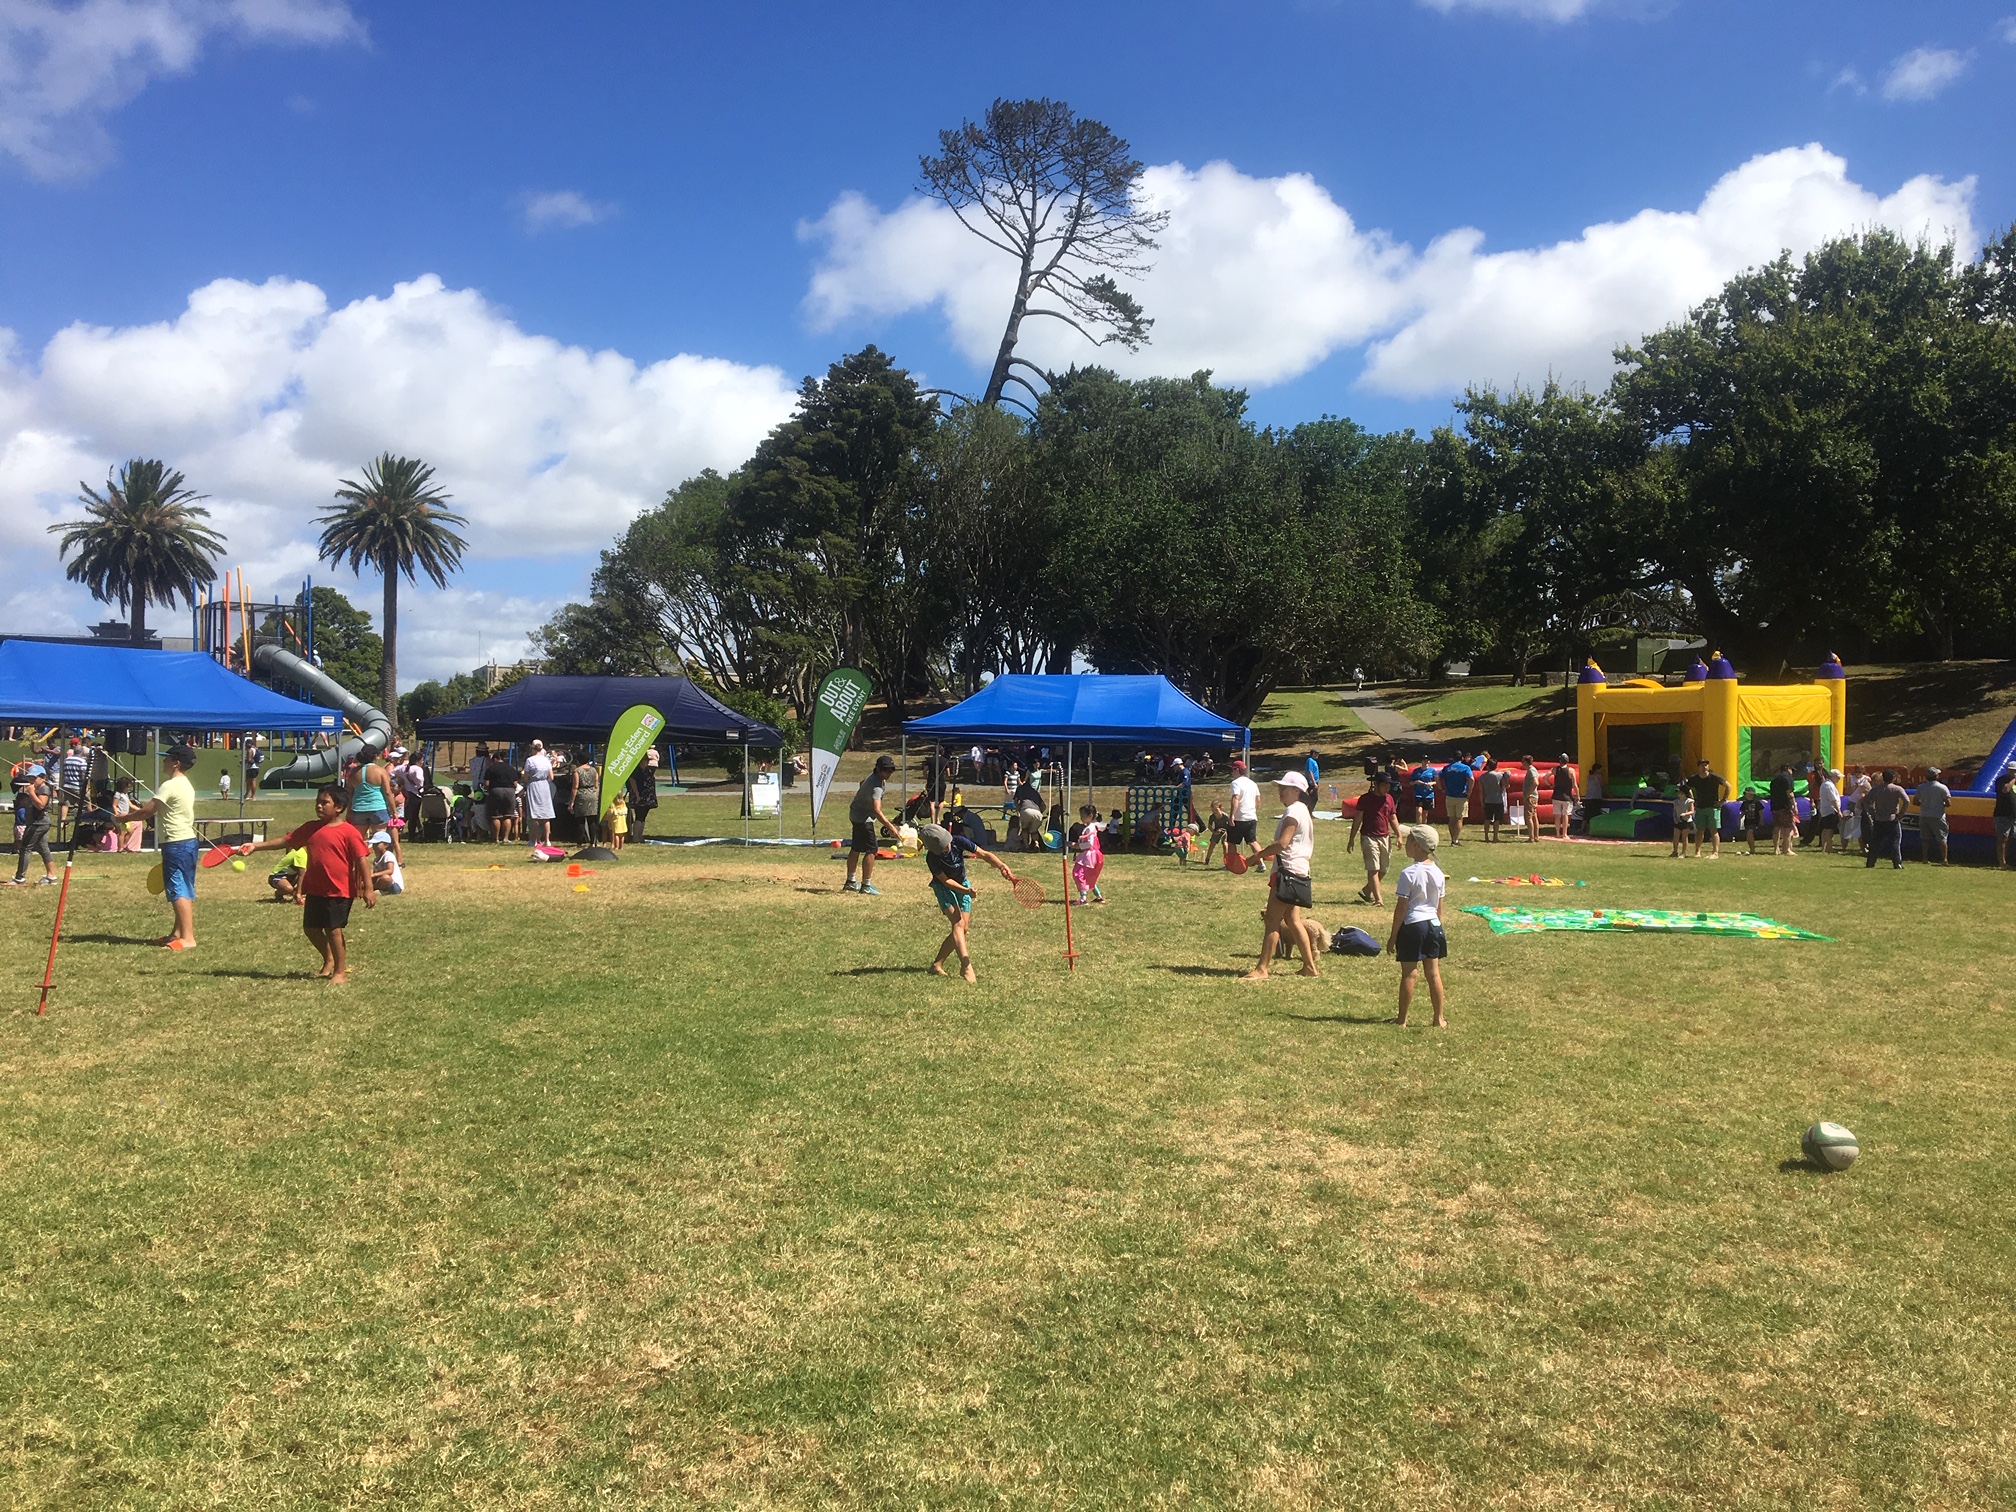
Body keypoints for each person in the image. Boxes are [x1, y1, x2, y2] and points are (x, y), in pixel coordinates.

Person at [239, 784, 374, 983]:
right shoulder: (310, 828)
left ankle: (340, 971)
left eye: (324, 803)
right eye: (317, 802)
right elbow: (285, 841)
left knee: (333, 929)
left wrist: (368, 888)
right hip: (316, 889)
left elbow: (362, 859)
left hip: (339, 890)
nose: (319, 806)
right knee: (311, 928)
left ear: (338, 807)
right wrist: (255, 846)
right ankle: (328, 958)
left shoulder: (349, 832)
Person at [920, 818, 1020, 983]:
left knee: (963, 929)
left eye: (947, 843)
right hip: (944, 888)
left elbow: (984, 854)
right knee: (957, 924)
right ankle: (966, 966)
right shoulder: (932, 858)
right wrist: (966, 891)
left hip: (962, 883)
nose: (948, 847)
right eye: (943, 848)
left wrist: (1002, 866)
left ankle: (937, 964)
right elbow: (946, 882)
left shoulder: (958, 841)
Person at [1242, 771, 1319, 981]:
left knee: (1272, 921)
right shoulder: (1303, 810)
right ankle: (1309, 966)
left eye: (1283, 788)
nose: (1280, 792)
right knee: (1293, 920)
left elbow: (1283, 843)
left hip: (1287, 873)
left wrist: (1254, 858)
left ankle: (1262, 969)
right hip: (1298, 870)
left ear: (1296, 791)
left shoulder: (1294, 811)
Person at [127, 744, 200, 949]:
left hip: (176, 843)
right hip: (187, 842)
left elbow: (146, 812)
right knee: (184, 886)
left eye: (167, 758)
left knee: (178, 889)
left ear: (176, 763)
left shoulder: (170, 785)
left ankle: (188, 938)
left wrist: (124, 817)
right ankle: (177, 933)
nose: (163, 761)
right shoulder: (185, 784)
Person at [1388, 826, 1449, 1028]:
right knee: (1433, 973)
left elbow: (1401, 907)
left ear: (1415, 845)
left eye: (1407, 841)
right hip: (1433, 925)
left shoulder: (1409, 873)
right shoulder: (1439, 873)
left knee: (1409, 973)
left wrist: (1393, 935)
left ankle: (1402, 1019)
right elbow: (1439, 907)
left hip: (1414, 925)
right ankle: (1438, 1018)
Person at [845, 755, 898, 895]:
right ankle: (866, 885)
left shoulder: (873, 777)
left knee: (856, 847)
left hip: (855, 813)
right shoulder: (876, 786)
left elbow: (862, 783)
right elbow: (877, 810)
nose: (889, 774)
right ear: (879, 769)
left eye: (891, 771)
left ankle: (851, 881)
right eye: (886, 771)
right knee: (872, 849)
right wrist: (890, 827)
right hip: (863, 819)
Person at [1346, 772, 1396, 906]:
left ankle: (1367, 890)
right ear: (1375, 784)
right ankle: (1378, 899)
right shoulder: (1365, 799)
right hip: (1369, 837)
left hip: (1385, 837)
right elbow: (1357, 819)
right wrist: (1351, 839)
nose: (1387, 788)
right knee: (1373, 868)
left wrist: (1399, 835)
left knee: (1383, 869)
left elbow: (1392, 817)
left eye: (1388, 785)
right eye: (1384, 784)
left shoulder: (1389, 799)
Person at [6, 761, 57, 887]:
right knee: (43, 849)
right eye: (30, 778)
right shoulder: (37, 788)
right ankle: (51, 876)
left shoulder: (43, 789)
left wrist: (31, 793)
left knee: (24, 848)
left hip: (38, 823)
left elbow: (40, 805)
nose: (31, 780)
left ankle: (19, 878)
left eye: (34, 778)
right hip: (37, 822)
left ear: (43, 777)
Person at [347, 747, 397, 850]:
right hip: (378, 807)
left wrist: (348, 811)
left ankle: (359, 863)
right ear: (375, 756)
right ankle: (382, 862)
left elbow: (350, 794)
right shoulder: (380, 771)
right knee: (380, 838)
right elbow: (388, 792)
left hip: (358, 808)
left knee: (358, 840)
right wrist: (394, 810)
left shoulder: (354, 772)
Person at [1684, 759, 1729, 858]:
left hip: (1713, 807)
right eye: (1702, 765)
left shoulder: (1714, 777)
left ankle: (1715, 853)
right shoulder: (1694, 778)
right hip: (1700, 807)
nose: (1704, 767)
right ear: (1698, 767)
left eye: (1706, 765)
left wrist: (1723, 800)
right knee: (1700, 830)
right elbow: (1686, 788)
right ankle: (1697, 852)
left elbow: (1728, 786)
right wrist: (1692, 799)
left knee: (1714, 830)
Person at [1864, 769, 1908, 870]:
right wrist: (1901, 814)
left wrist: (1872, 812)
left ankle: (1870, 862)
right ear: (1893, 778)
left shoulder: (1876, 789)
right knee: (1895, 842)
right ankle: (1897, 863)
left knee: (1875, 843)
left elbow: (1866, 801)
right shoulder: (1897, 789)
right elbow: (1906, 801)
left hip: (1879, 818)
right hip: (1892, 819)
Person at [1227, 759, 1262, 873]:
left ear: (1237, 770)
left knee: (1232, 842)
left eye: (1233, 769)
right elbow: (1258, 799)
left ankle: (1232, 864)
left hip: (1239, 817)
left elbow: (1236, 798)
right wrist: (1253, 811)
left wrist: (1232, 815)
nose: (1231, 772)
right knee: (1252, 841)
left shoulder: (1236, 783)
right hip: (1251, 816)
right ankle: (1261, 863)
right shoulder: (1252, 783)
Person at [1069, 804, 1106, 904]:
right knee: (1089, 876)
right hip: (1091, 855)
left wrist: (1076, 846)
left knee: (1078, 874)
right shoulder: (1090, 827)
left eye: (1083, 815)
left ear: (1090, 816)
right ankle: (1098, 896)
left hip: (1088, 856)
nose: (1081, 817)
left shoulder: (1090, 828)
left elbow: (1089, 843)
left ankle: (1083, 899)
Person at [1915, 767, 1952, 866]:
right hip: (1938, 815)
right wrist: (1940, 804)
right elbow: (1948, 803)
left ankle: (1925, 858)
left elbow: (1915, 801)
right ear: (1936, 776)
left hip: (1924, 814)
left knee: (1925, 838)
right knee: (1942, 838)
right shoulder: (1942, 787)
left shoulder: (1921, 787)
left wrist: (1923, 803)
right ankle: (1944, 859)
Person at [522, 740, 555, 846]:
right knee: (546, 815)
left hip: (534, 785)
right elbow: (551, 777)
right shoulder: (546, 760)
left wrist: (527, 782)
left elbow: (526, 777)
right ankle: (547, 840)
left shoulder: (530, 760)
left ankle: (534, 840)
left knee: (534, 815)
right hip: (544, 786)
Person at [1804, 767, 1843, 854]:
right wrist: (1838, 811)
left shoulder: (1825, 784)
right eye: (1838, 777)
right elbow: (1833, 799)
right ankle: (1829, 847)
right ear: (1833, 776)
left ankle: (1824, 847)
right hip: (1831, 810)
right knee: (1830, 829)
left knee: (1825, 829)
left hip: (1825, 809)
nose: (1839, 779)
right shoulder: (1829, 786)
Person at [483, 753, 519, 843]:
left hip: (496, 791)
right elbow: (515, 784)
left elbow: (486, 784)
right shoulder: (511, 768)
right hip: (510, 791)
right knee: (507, 816)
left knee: (496, 816)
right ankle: (505, 838)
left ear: (495, 759)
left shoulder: (491, 768)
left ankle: (496, 838)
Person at [627, 750, 660, 840]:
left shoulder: (647, 770)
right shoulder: (637, 771)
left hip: (647, 797)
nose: (647, 762)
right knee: (639, 816)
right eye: (646, 760)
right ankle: (635, 836)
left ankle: (640, 835)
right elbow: (632, 781)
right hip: (640, 796)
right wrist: (637, 794)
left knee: (643, 817)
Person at [569, 750, 600, 844]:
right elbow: (596, 784)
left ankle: (581, 840)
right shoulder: (594, 770)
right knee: (592, 820)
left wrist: (571, 801)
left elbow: (575, 786)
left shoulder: (577, 771)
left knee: (580, 819)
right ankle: (593, 841)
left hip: (582, 795)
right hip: (593, 794)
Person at [1440, 752, 1471, 846]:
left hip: (1449, 795)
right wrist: (1469, 791)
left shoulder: (1447, 768)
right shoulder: (1465, 768)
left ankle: (1452, 838)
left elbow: (1437, 777)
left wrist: (1441, 788)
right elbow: (1472, 779)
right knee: (1459, 818)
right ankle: (1455, 839)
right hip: (1461, 796)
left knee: (1451, 818)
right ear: (1461, 758)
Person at [1769, 764, 1799, 856]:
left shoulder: (1774, 779)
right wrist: (1794, 805)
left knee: (1777, 827)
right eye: (1791, 770)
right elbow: (1790, 793)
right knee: (1788, 827)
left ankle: (1776, 848)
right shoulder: (1788, 779)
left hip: (1774, 805)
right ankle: (1786, 849)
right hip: (1785, 805)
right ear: (1787, 769)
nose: (1792, 772)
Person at [1476, 759, 1508, 844]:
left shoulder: (1482, 777)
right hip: (1498, 800)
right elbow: (1505, 786)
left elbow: (1481, 791)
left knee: (1487, 819)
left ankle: (1486, 836)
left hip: (1488, 800)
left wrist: (1482, 802)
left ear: (1488, 766)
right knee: (1497, 820)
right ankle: (1495, 837)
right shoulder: (1499, 776)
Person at [367, 828, 404, 895]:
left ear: (386, 845)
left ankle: (372, 889)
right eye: (374, 844)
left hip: (394, 886)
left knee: (386, 878)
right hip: (383, 886)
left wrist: (373, 875)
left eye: (377, 844)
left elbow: (390, 871)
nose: (375, 846)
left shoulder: (388, 855)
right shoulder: (376, 859)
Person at [112, 776, 144, 852]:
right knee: (122, 832)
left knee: (131, 831)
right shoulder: (117, 794)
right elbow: (114, 805)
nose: (129, 788)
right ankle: (120, 849)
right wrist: (117, 814)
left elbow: (131, 805)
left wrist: (141, 810)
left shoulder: (125, 795)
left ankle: (124, 845)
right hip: (120, 816)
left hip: (125, 816)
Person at [1551, 756, 1578, 840]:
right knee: (1565, 815)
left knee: (1557, 815)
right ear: (1568, 761)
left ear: (1560, 761)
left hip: (1556, 795)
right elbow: (1574, 784)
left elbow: (1545, 777)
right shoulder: (1571, 770)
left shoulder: (1555, 769)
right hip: (1567, 796)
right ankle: (1564, 834)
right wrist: (1577, 795)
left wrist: (1550, 785)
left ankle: (1557, 833)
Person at [1410, 758, 1439, 833]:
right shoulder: (1416, 771)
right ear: (1421, 761)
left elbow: (1436, 781)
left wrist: (1431, 783)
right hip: (1418, 794)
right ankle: (1418, 828)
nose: (1426, 762)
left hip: (1428, 794)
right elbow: (1410, 782)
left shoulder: (1432, 771)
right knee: (1419, 811)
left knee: (1425, 813)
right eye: (1424, 760)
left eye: (1427, 761)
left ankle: (1423, 828)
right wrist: (1416, 782)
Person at [1995, 768, 2016, 869]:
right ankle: (2002, 863)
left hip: (2013, 816)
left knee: (2010, 838)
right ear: (2008, 770)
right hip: (2003, 814)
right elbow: (2006, 790)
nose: (2014, 773)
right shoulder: (2001, 780)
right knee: (2003, 838)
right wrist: (2013, 779)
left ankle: (2006, 861)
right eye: (2012, 771)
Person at [1202, 799, 1232, 869]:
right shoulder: (1212, 817)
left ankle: (1226, 861)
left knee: (1225, 844)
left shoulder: (1225, 816)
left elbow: (1230, 826)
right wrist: (1214, 832)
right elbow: (1209, 826)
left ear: (1220, 808)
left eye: (1216, 810)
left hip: (1225, 831)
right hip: (1216, 831)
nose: (1214, 812)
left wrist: (1226, 831)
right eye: (1213, 810)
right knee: (1212, 844)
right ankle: (1207, 859)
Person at [1669, 784, 1696, 859]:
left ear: (1684, 793)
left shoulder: (1689, 801)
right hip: (1678, 821)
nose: (1678, 794)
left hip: (1686, 821)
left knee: (1684, 837)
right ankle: (1675, 851)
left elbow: (1692, 811)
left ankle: (1683, 852)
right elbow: (1674, 812)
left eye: (1679, 792)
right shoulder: (1675, 802)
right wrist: (1675, 819)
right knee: (1676, 836)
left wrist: (1685, 814)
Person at [1520, 756, 1542, 843]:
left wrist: (1528, 794)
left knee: (1528, 817)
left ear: (1526, 762)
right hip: (1533, 797)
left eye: (1522, 761)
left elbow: (1535, 782)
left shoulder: (1531, 770)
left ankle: (1531, 837)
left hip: (1530, 797)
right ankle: (1536, 836)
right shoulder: (1532, 770)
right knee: (1534, 816)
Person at [1738, 788, 1764, 854]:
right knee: (1748, 835)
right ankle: (1751, 848)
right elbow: (1743, 812)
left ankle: (1752, 849)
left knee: (1750, 832)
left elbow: (1760, 812)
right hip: (1747, 821)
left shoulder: (1757, 802)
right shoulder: (1745, 803)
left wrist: (1761, 819)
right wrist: (1739, 818)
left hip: (1755, 821)